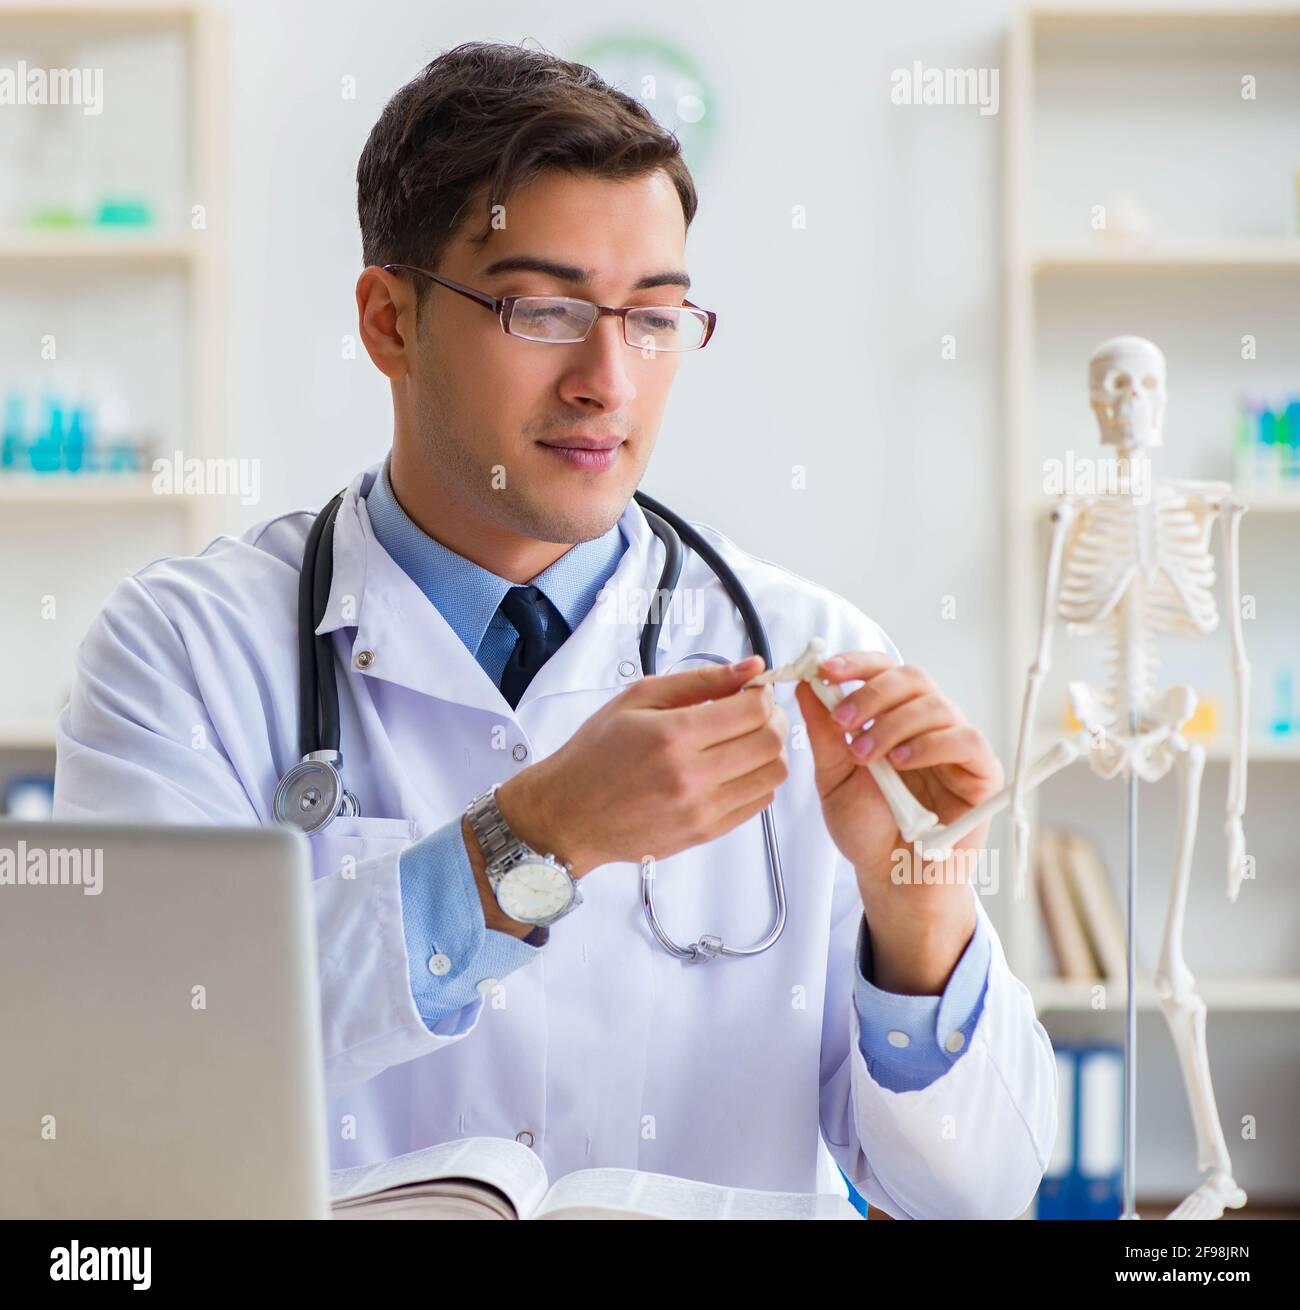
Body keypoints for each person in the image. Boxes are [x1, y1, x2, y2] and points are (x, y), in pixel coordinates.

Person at [54, 40, 1055, 1219]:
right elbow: (132, 1089)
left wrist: (922, 918)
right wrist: (529, 843)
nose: (606, 380)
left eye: (653, 319)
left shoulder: (810, 658)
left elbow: (979, 1192)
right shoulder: (183, 654)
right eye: (543, 309)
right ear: (388, 319)